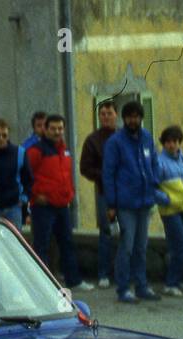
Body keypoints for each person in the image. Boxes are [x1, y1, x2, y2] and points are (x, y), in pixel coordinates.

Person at [102, 99, 167, 303]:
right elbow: (108, 173)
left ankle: (142, 286)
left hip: (145, 201)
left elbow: (154, 163)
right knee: (127, 246)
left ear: (141, 118)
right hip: (125, 203)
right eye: (129, 117)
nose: (133, 120)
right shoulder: (115, 142)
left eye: (136, 116)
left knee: (141, 247)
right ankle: (123, 289)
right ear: (124, 119)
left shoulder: (147, 137)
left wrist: (155, 184)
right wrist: (111, 204)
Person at [28, 114, 91, 291]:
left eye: (60, 128)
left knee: (67, 242)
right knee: (42, 244)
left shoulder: (65, 151)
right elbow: (26, 176)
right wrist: (35, 195)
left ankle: (74, 280)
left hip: (62, 205)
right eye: (53, 128)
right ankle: (42, 284)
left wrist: (70, 194)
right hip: (43, 206)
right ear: (45, 130)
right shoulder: (36, 151)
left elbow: (66, 176)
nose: (57, 132)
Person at [80, 99, 119, 287]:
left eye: (109, 113)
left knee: (126, 232)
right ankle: (104, 273)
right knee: (106, 232)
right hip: (104, 192)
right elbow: (85, 168)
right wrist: (104, 176)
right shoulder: (92, 140)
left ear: (116, 115)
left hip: (126, 192)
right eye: (102, 114)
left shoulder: (123, 137)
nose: (105, 117)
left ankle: (123, 273)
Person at [156, 126, 183, 296]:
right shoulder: (159, 162)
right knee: (181, 245)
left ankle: (177, 280)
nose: (172, 145)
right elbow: (152, 187)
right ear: (164, 143)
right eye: (169, 142)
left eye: (175, 142)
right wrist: (167, 199)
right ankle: (170, 283)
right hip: (170, 211)